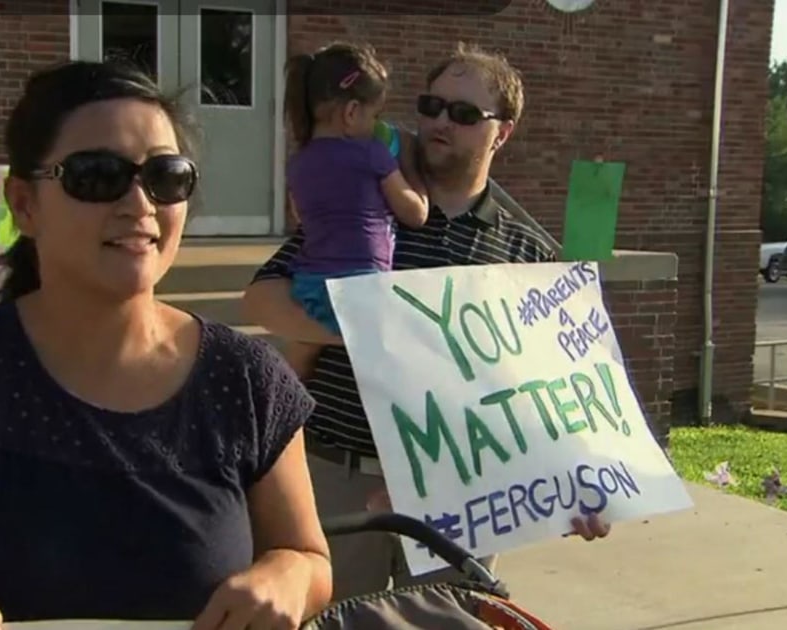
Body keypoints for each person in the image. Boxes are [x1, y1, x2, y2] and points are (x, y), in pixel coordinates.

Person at [0, 60, 332, 630]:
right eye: (97, 175)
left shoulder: (245, 379)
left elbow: (308, 557)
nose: (139, 204)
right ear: (25, 204)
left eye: (166, 176)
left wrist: (288, 576)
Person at [242, 42, 612, 601]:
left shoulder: (528, 254)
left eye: (463, 113)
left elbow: (554, 385)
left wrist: (574, 481)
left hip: (462, 494)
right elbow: (264, 299)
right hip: (340, 475)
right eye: (431, 106)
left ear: (502, 132)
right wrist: (381, 334)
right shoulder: (370, 209)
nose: (440, 122)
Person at [279, 42, 429, 378]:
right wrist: (411, 168)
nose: (376, 125)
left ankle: (283, 393)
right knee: (387, 358)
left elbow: (301, 216)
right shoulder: (372, 153)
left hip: (310, 283)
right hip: (363, 285)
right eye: (375, 115)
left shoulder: (298, 163)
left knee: (307, 346)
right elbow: (415, 213)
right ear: (351, 112)